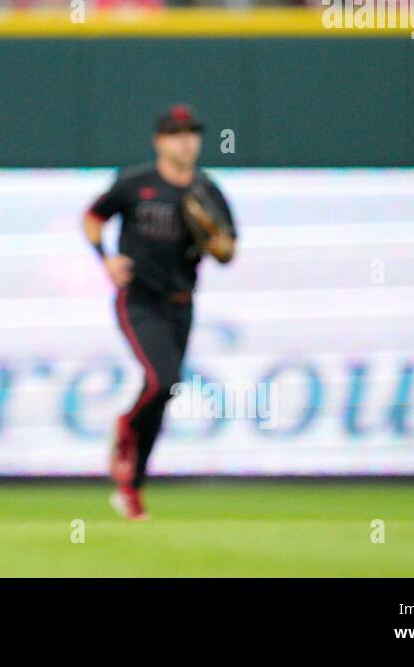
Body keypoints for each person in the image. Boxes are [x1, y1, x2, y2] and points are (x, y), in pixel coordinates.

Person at [82, 104, 237, 519]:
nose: (185, 140)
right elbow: (93, 217)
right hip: (139, 298)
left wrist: (216, 241)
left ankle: (131, 487)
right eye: (175, 133)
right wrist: (106, 258)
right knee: (162, 378)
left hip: (181, 303)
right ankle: (127, 426)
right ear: (159, 141)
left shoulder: (206, 190)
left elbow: (228, 249)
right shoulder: (136, 184)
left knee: (166, 390)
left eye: (191, 133)